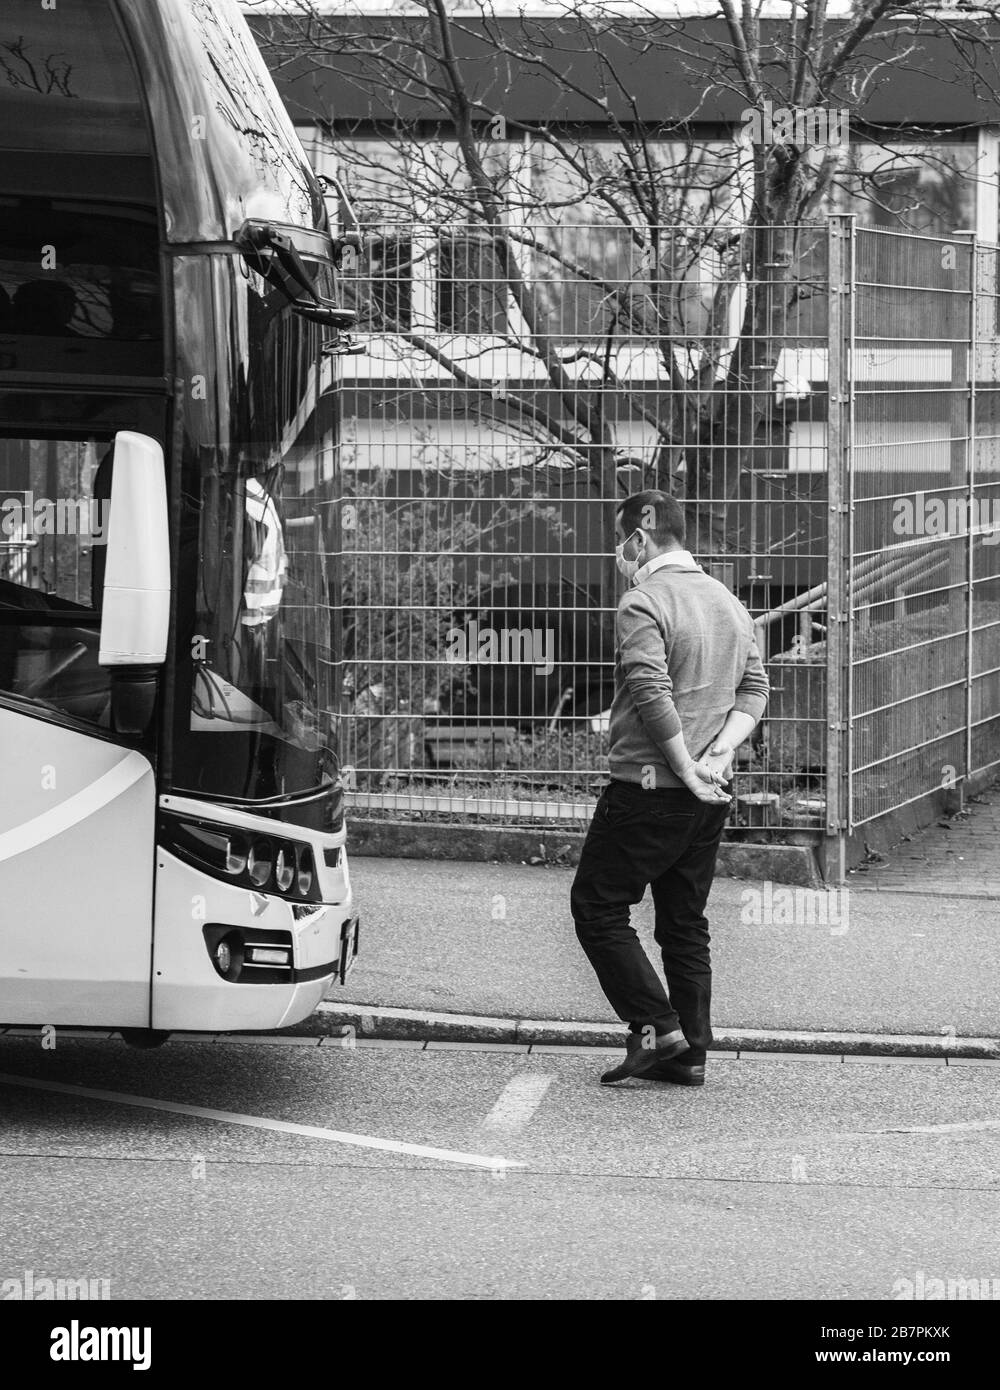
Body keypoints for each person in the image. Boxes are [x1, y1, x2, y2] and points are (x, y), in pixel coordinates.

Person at [572, 490, 769, 1088]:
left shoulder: (643, 602)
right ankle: (690, 1054)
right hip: (708, 797)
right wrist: (720, 754)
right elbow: (755, 688)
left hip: (647, 789)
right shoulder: (728, 602)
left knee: (597, 908)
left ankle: (657, 1027)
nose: (618, 554)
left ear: (641, 539)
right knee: (683, 923)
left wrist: (684, 765)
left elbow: (651, 692)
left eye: (620, 541)